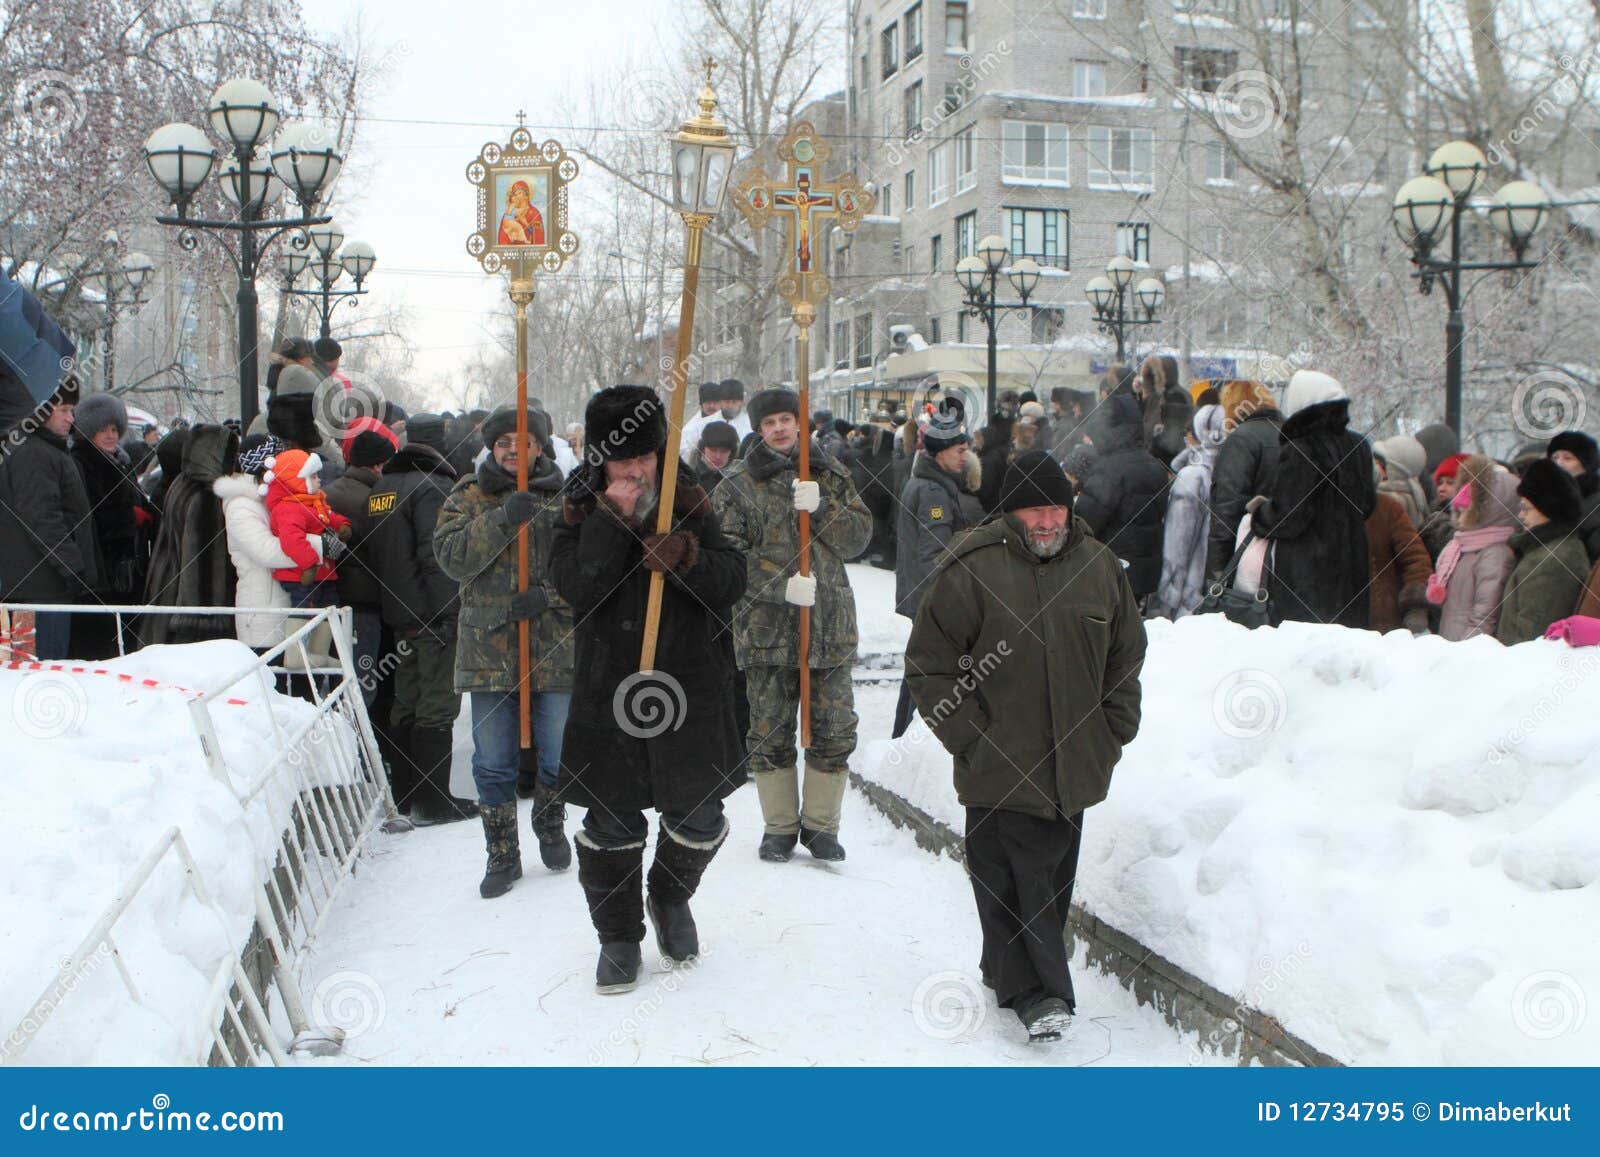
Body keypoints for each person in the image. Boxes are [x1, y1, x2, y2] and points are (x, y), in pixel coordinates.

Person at [905, 450, 1145, 1044]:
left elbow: (1125, 656)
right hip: (998, 762)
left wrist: (1114, 729)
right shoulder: (972, 567)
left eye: (1055, 509)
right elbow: (930, 666)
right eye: (1033, 510)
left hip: (1074, 763)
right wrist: (970, 738)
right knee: (1012, 881)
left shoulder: (1098, 566)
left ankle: (1003, 970)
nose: (1046, 522)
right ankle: (1039, 996)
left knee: (1049, 883)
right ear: (1012, 512)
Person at [550, 385, 747, 993]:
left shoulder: (699, 496)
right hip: (611, 689)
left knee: (701, 814)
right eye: (621, 460)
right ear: (599, 459)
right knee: (612, 823)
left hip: (690, 687)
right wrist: (612, 521)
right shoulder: (578, 505)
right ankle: (617, 938)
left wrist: (686, 555)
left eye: (644, 458)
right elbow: (575, 585)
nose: (635, 471)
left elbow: (734, 577)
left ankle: (669, 895)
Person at [715, 386, 874, 863]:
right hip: (766, 630)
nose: (780, 429)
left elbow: (858, 539)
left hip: (828, 627)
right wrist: (779, 584)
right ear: (758, 430)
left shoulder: (831, 473)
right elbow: (725, 558)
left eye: (787, 419)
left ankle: (822, 827)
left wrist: (823, 506)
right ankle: (780, 826)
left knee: (835, 726)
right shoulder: (738, 484)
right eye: (769, 423)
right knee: (769, 729)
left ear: (800, 424)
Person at [435, 405, 575, 896]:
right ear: (491, 449)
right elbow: (451, 560)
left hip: (554, 646)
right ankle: (502, 852)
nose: (515, 452)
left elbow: (591, 570)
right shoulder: (468, 497)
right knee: (493, 759)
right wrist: (498, 520)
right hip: (488, 652)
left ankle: (550, 820)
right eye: (504, 445)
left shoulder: (566, 499)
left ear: (541, 446)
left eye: (526, 443)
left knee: (559, 749)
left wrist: (550, 597)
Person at [365, 414, 478, 825]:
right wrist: (449, 613)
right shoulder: (434, 487)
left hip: (398, 614)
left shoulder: (383, 488)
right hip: (433, 615)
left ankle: (407, 795)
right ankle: (434, 802)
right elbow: (438, 559)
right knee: (436, 705)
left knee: (406, 702)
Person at [1250, 371, 1375, 628]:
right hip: (1352, 573)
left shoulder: (1300, 450)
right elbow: (1367, 505)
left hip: (1307, 578)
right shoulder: (1359, 445)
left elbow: (1288, 517)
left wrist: (1260, 514)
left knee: (1305, 655)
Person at [893, 398, 984, 736]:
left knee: (918, 672)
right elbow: (937, 553)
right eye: (960, 450)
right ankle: (904, 738)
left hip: (923, 597)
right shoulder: (933, 492)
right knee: (925, 675)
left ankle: (902, 735)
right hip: (931, 600)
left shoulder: (930, 482)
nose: (965, 456)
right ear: (940, 453)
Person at [0, 378, 96, 658]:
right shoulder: (32, 452)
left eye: (72, 410)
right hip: (40, 586)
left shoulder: (42, 448)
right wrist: (73, 566)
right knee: (42, 674)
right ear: (41, 410)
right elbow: (42, 518)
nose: (71, 418)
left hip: (42, 582)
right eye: (64, 409)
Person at [140, 424, 239, 646]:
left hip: (166, 594)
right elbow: (203, 566)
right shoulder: (207, 496)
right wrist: (205, 620)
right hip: (189, 615)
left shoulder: (181, 483)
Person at [323, 419, 398, 699]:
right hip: (366, 602)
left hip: (331, 596)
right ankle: (355, 740)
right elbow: (386, 547)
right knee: (362, 684)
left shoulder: (327, 493)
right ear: (377, 465)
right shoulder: (378, 498)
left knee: (336, 678)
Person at [1073, 391, 1171, 603]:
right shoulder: (1154, 465)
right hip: (1144, 570)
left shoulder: (1110, 469)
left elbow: (1084, 523)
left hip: (1110, 570)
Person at [1496, 459, 1589, 645]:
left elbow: (1533, 637)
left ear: (1551, 509)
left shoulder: (1555, 559)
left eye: (1527, 508)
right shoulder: (1542, 550)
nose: (1521, 515)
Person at [1429, 456, 1519, 641]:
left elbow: (1484, 617)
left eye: (1473, 496)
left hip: (1466, 653)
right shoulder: (1463, 545)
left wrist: (1463, 655)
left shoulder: (1495, 553)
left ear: (1492, 506)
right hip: (1451, 642)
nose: (1460, 502)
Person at [1149, 404, 1225, 620]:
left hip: (1187, 602)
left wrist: (1167, 597)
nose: (1185, 437)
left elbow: (1177, 547)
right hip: (1216, 592)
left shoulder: (1192, 476)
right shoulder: (1231, 466)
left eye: (1189, 431)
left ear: (1201, 433)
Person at [1205, 379, 1282, 581]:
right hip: (1284, 556)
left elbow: (1227, 507)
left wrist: (1217, 568)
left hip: (1246, 555)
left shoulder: (1241, 439)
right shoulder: (1289, 434)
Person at [1365, 492, 1432, 634]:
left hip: (1383, 625)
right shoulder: (1322, 509)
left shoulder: (1386, 508)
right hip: (1331, 627)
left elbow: (1416, 559)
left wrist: (1415, 606)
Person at [1546, 430, 1600, 563]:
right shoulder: (1542, 498)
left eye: (1567, 458)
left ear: (1586, 464)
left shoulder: (1595, 500)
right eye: (1554, 458)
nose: (1559, 463)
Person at [1136, 354, 1194, 468]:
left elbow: (1174, 434)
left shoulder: (1177, 396)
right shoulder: (1155, 395)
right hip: (1154, 455)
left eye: (1156, 372)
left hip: (1165, 459)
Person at [1372, 434, 1431, 530]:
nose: (1375, 467)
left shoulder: (1388, 500)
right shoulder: (1416, 494)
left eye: (1380, 464)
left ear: (1392, 471)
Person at [1420, 453, 1469, 562]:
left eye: (1450, 483)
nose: (1442, 488)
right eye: (1440, 483)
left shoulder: (1466, 525)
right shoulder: (1431, 513)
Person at [693, 419, 740, 493]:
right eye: (713, 450)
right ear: (703, 449)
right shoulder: (689, 477)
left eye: (724, 451)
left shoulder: (739, 479)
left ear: (731, 452)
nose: (718, 456)